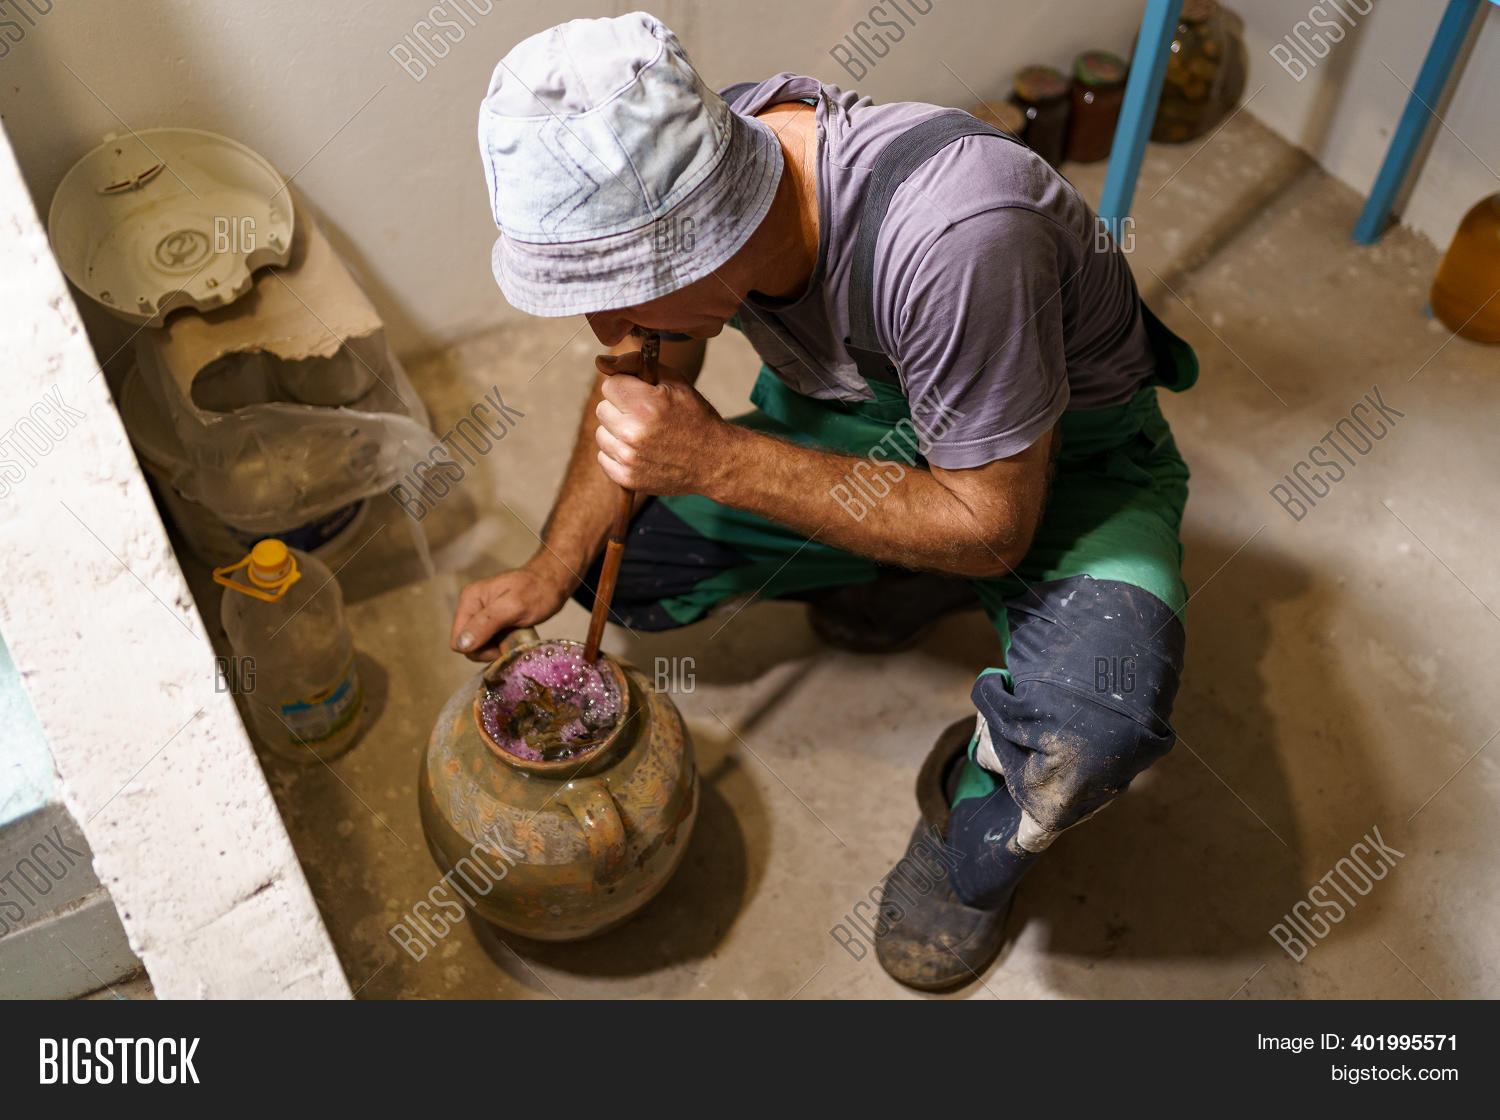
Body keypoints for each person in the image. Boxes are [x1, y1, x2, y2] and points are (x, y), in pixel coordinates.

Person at [452, 11, 1198, 990]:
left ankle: (967, 847)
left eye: (623, 292)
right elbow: (642, 372)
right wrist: (550, 569)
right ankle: (900, 569)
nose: (607, 326)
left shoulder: (959, 237)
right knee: (610, 562)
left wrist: (719, 459)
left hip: (1060, 474)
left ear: (705, 234)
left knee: (1091, 725)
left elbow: (992, 523)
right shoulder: (704, 154)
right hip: (865, 429)